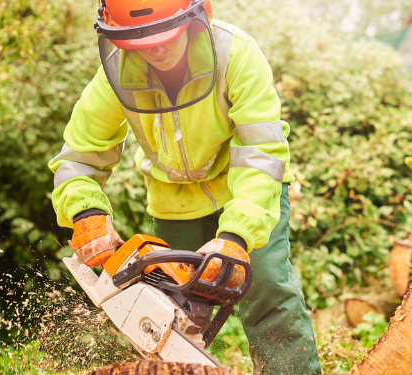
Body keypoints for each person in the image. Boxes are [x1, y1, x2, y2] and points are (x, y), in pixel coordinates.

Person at [48, 0, 321, 373]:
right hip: (174, 203)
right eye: (140, 39)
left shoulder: (235, 53)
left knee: (268, 288)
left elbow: (262, 153)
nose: (155, 48)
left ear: (195, 19)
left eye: (165, 35)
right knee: (172, 310)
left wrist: (238, 237)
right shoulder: (116, 72)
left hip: (247, 194)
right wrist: (86, 211)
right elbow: (78, 157)